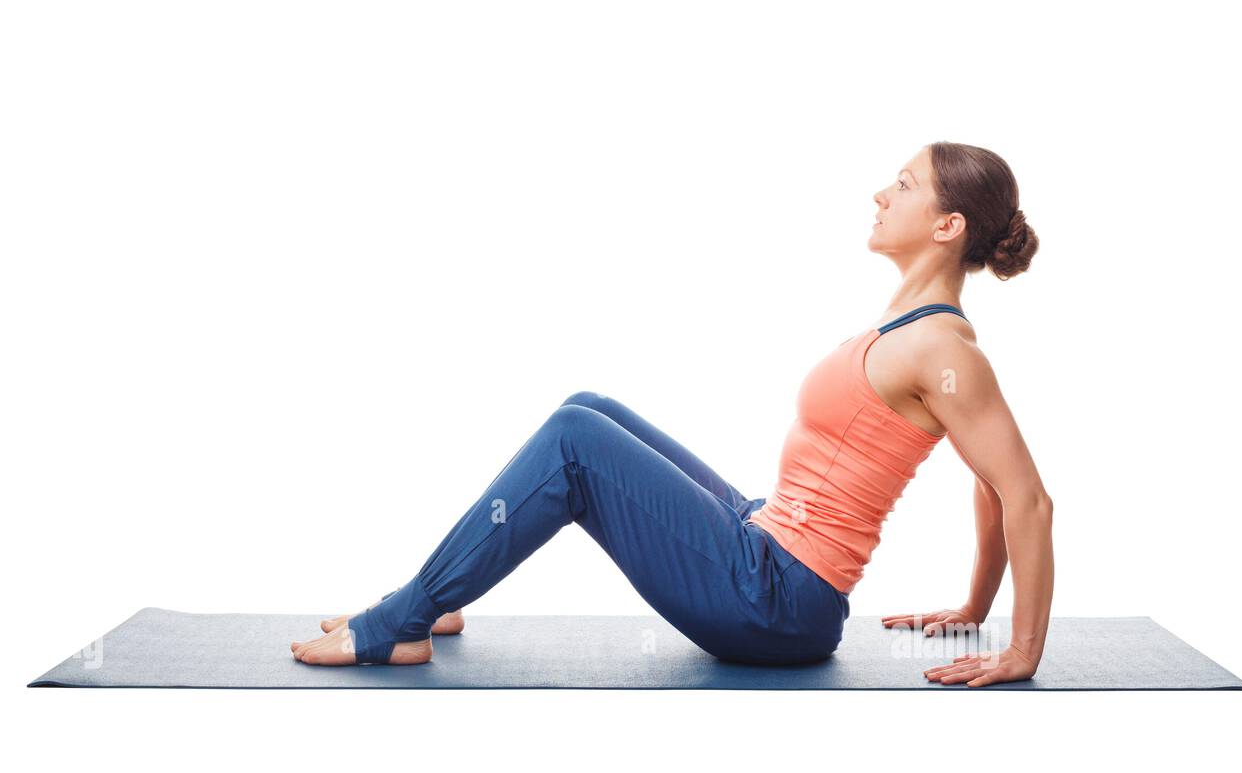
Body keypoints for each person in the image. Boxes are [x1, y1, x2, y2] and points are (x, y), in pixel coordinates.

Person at [290, 141, 1053, 688]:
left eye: (904, 184)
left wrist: (1020, 647)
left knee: (573, 442)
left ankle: (403, 623)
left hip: (778, 602)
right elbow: (987, 480)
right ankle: (442, 594)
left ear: (948, 226)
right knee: (588, 409)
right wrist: (972, 606)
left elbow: (1024, 496)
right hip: (771, 547)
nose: (881, 195)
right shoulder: (910, 333)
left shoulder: (942, 350)